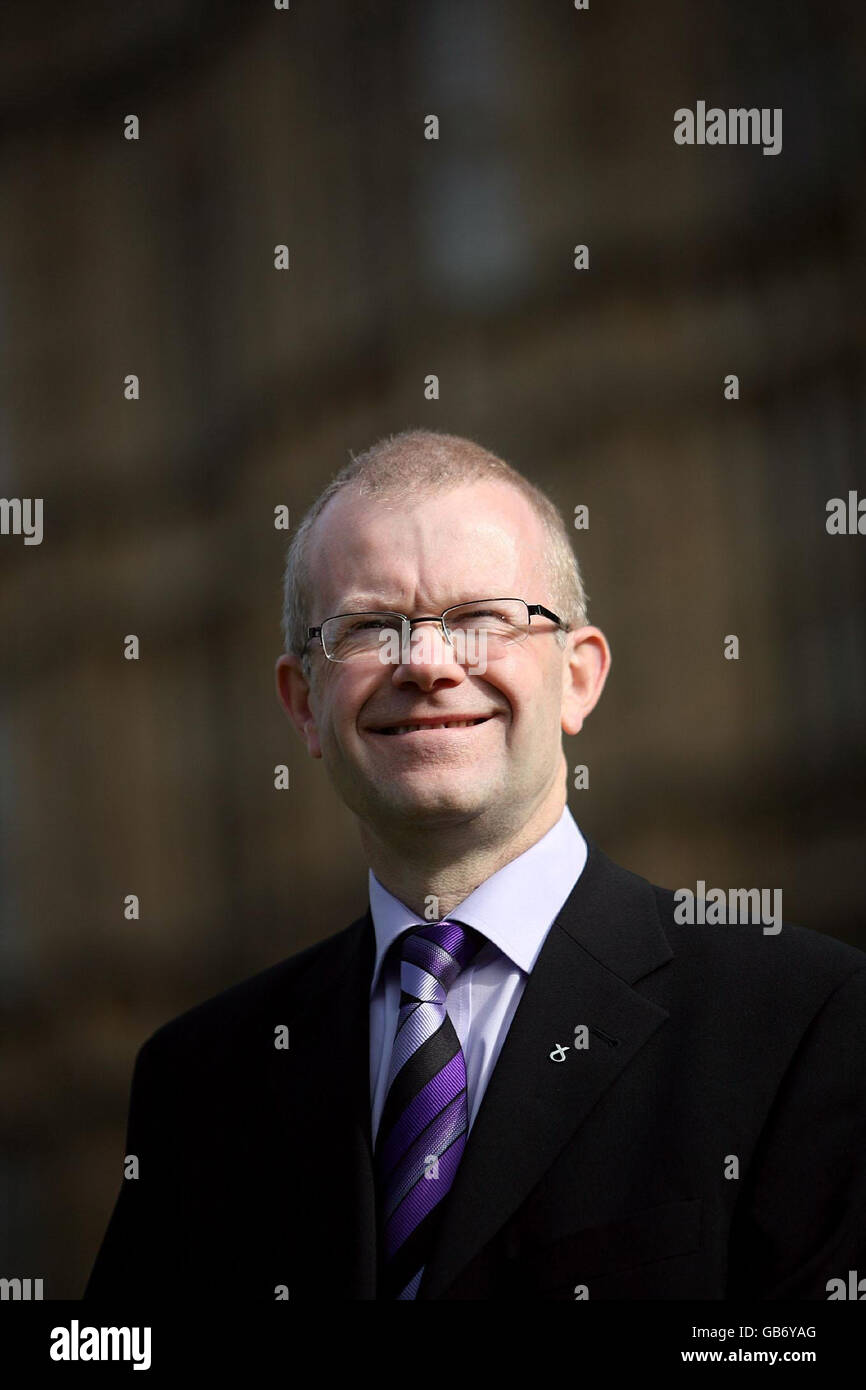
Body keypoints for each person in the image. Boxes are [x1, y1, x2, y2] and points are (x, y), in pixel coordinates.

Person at [85, 428, 866, 1301]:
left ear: (578, 677)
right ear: (304, 703)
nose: (425, 664)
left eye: (482, 620)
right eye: (370, 626)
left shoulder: (803, 1020)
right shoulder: (199, 1081)